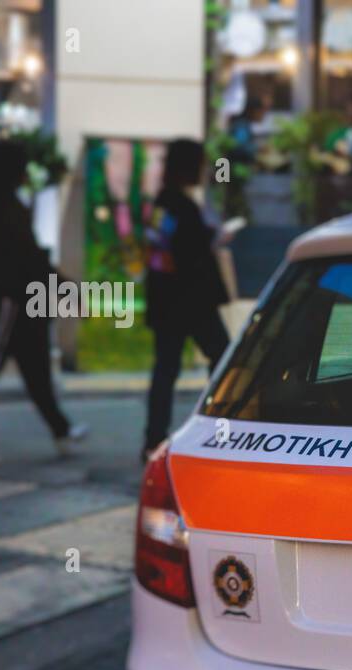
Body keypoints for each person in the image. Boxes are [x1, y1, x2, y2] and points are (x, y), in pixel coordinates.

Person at [0, 139, 87, 457]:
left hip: (18, 299)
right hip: (11, 300)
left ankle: (61, 431)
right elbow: (27, 259)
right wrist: (65, 290)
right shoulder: (3, 208)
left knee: (34, 367)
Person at [143, 138, 231, 459]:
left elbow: (160, 249)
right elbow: (190, 255)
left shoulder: (162, 203)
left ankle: (153, 439)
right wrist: (211, 238)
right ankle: (216, 431)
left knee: (165, 369)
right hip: (191, 302)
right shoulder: (183, 207)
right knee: (223, 359)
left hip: (166, 299)